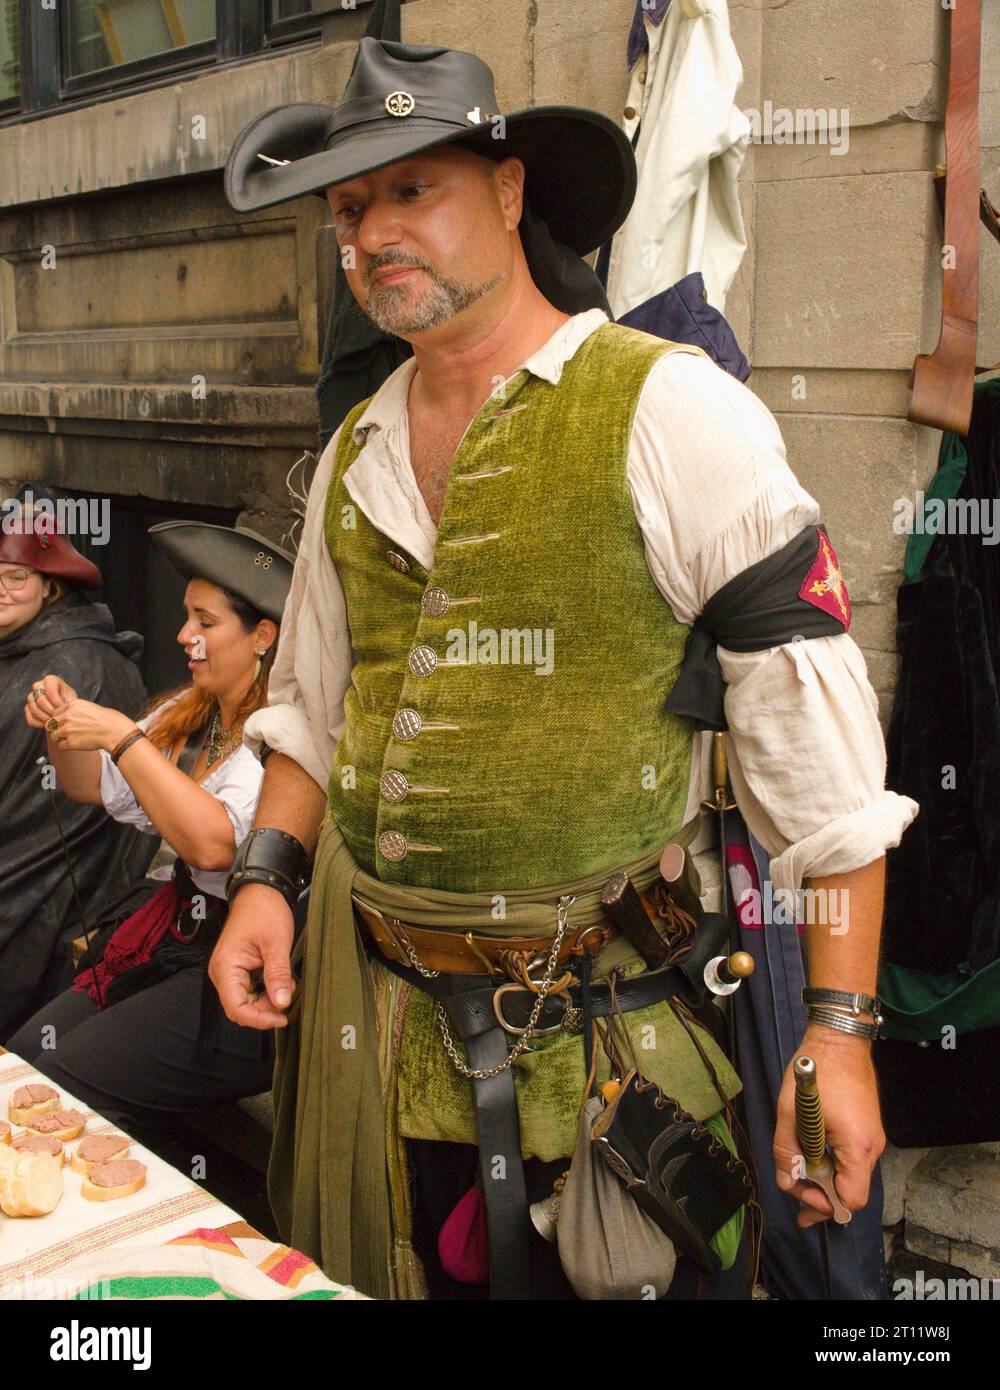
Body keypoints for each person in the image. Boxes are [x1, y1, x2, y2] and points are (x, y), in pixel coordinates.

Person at [211, 38, 919, 1301]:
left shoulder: (671, 409)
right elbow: (312, 708)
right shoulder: (354, 453)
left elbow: (822, 778)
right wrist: (267, 878)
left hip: (603, 1059)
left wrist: (838, 1033)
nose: (371, 233)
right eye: (348, 209)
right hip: (377, 1050)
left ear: (511, 190)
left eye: (408, 190)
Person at [8, 522, 293, 1137]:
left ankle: (137, 1208)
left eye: (204, 622)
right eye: (187, 617)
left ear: (263, 637)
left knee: (67, 1082)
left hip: (247, 966)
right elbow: (86, 784)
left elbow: (214, 846)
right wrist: (62, 724)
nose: (183, 635)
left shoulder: (286, 733)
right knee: (26, 1059)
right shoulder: (192, 712)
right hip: (174, 938)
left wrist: (120, 734)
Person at [0, 485, 147, 1040]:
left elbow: (33, 821)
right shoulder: (19, 646)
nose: (1, 590)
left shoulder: (75, 665)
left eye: (15, 578)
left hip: (55, 886)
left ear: (50, 587)